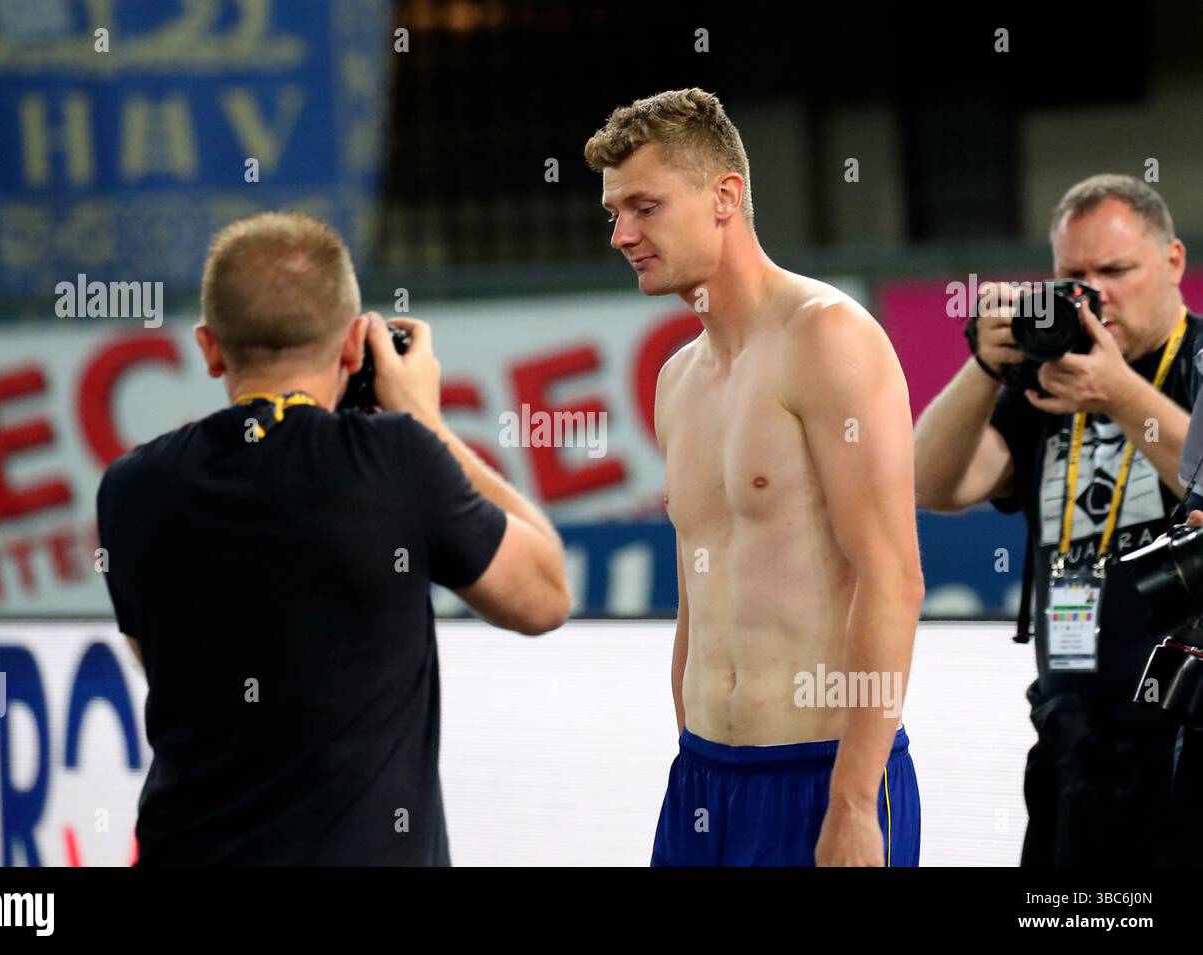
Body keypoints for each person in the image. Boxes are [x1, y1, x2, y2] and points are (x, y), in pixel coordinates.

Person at [96, 211, 570, 865]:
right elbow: (544, 595)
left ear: (208, 348)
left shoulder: (129, 488)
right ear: (354, 346)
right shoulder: (396, 457)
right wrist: (426, 420)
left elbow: (165, 666)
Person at [585, 89, 925, 866]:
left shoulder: (829, 337)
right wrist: (690, 757)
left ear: (724, 198)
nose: (622, 234)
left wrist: (853, 803)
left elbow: (893, 578)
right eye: (613, 213)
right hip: (703, 779)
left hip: (820, 778)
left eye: (643, 207)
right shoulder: (677, 379)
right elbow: (695, 600)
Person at [913, 174, 1202, 865]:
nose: (1096, 292)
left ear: (1172, 263)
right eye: (1074, 275)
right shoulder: (1048, 380)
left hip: (1187, 747)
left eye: (1116, 270)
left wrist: (1121, 393)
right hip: (1075, 746)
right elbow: (930, 484)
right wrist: (985, 366)